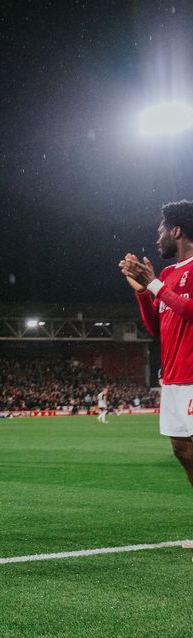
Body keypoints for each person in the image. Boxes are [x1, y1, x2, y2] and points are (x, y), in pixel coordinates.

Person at [120, 199, 193, 486]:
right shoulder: (167, 275)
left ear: (176, 231)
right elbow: (155, 327)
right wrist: (142, 291)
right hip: (173, 381)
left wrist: (153, 284)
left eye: (160, 230)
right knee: (183, 451)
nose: (157, 238)